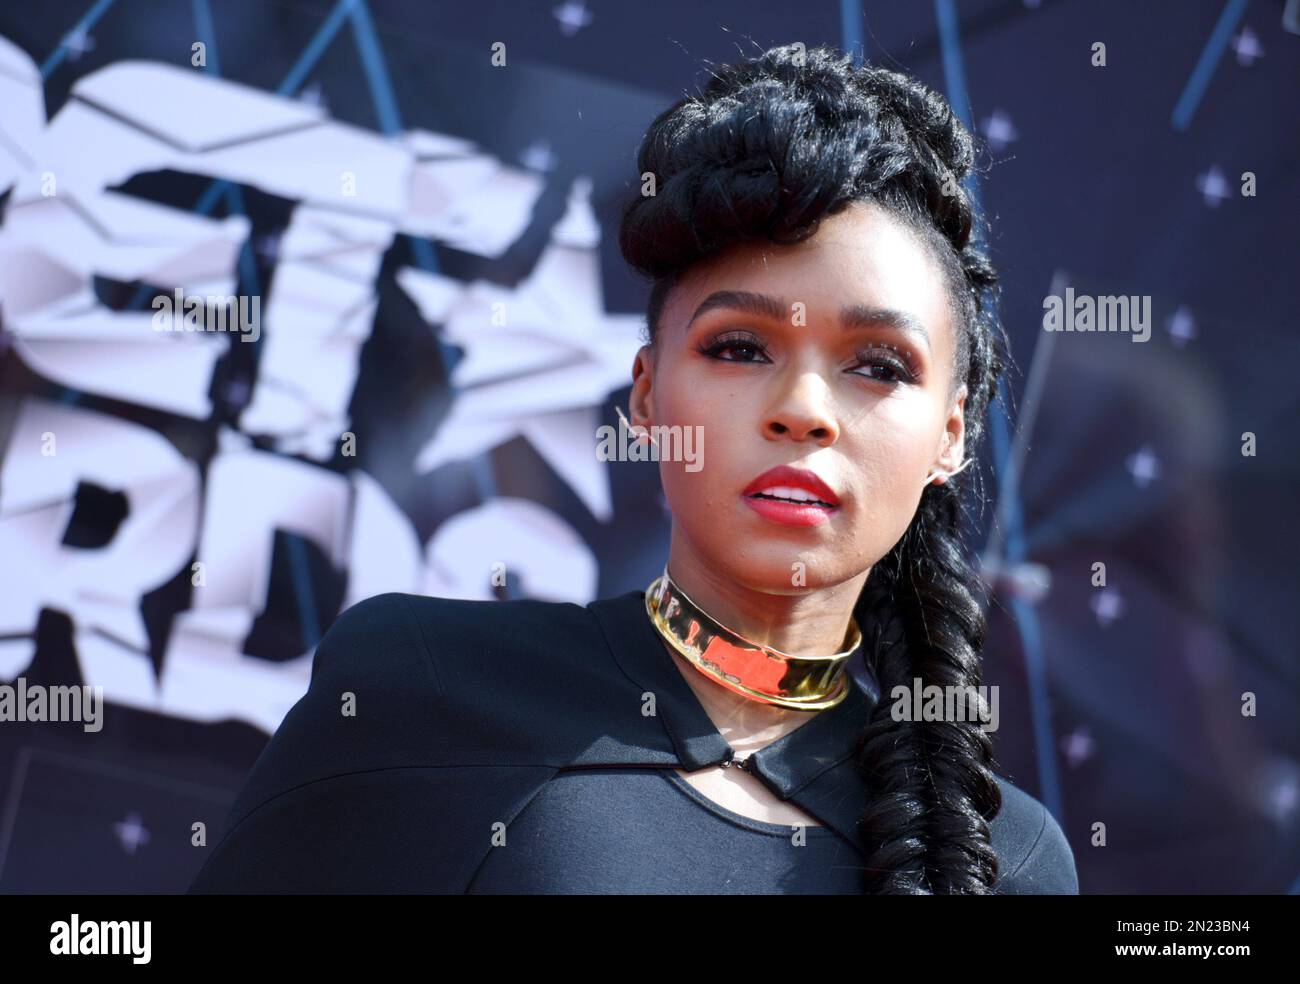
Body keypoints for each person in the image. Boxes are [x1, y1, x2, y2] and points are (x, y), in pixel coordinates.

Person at [188, 42, 1077, 895]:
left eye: (879, 364)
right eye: (738, 347)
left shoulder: (1010, 859)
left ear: (951, 436)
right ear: (646, 397)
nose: (803, 408)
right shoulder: (418, 688)